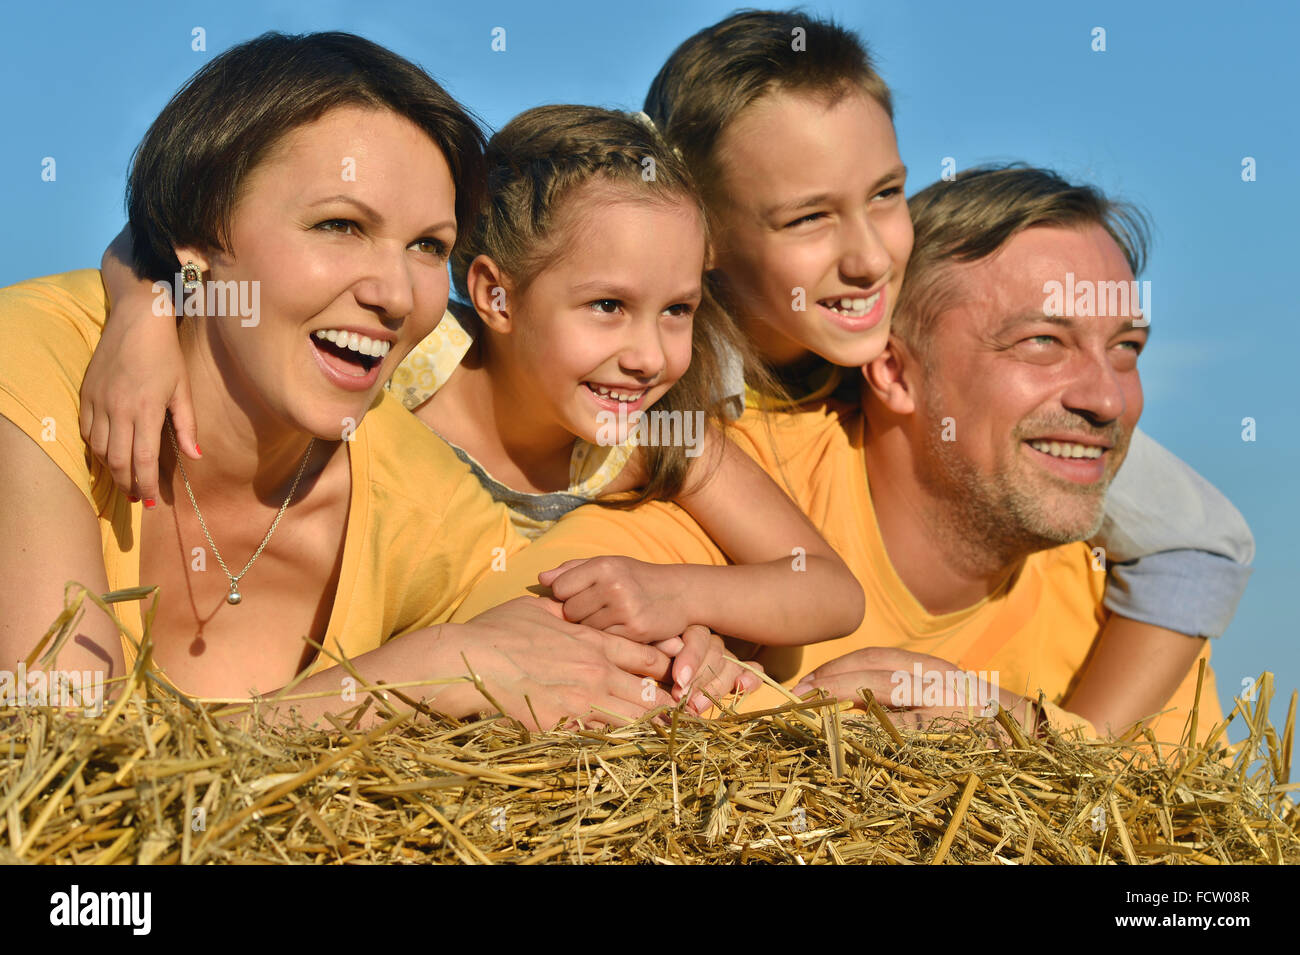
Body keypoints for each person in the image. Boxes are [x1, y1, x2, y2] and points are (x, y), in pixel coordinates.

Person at [0, 31, 745, 729]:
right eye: (339, 226)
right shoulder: (40, 365)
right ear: (197, 232)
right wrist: (402, 678)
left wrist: (694, 668)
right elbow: (64, 751)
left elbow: (582, 660)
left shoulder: (423, 499)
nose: (395, 292)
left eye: (428, 245)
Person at [89, 106, 865, 694]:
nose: (648, 354)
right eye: (607, 307)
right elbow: (161, 234)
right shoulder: (407, 358)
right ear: (494, 294)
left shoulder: (657, 434)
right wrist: (142, 311)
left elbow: (826, 587)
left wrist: (672, 594)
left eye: (678, 310)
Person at [450, 164, 1226, 743]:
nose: (1108, 398)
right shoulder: (721, 499)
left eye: (1126, 350)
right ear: (892, 369)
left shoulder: (1123, 607)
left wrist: (1026, 738)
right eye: (1042, 343)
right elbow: (506, 659)